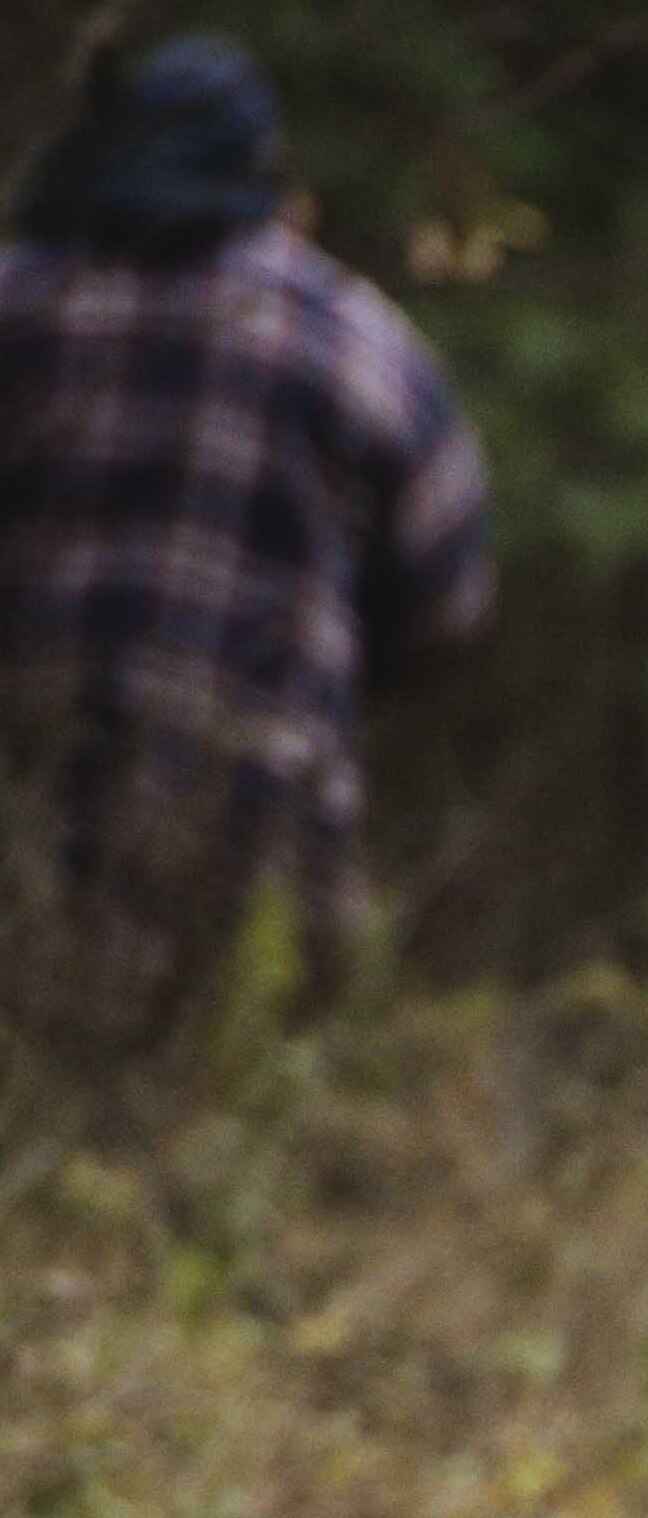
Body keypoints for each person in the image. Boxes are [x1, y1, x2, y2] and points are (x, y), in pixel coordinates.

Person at [0, 34, 492, 1053]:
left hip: (25, 783)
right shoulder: (355, 338)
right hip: (256, 807)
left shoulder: (23, 303)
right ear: (263, 176)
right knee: (220, 1110)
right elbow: (451, 595)